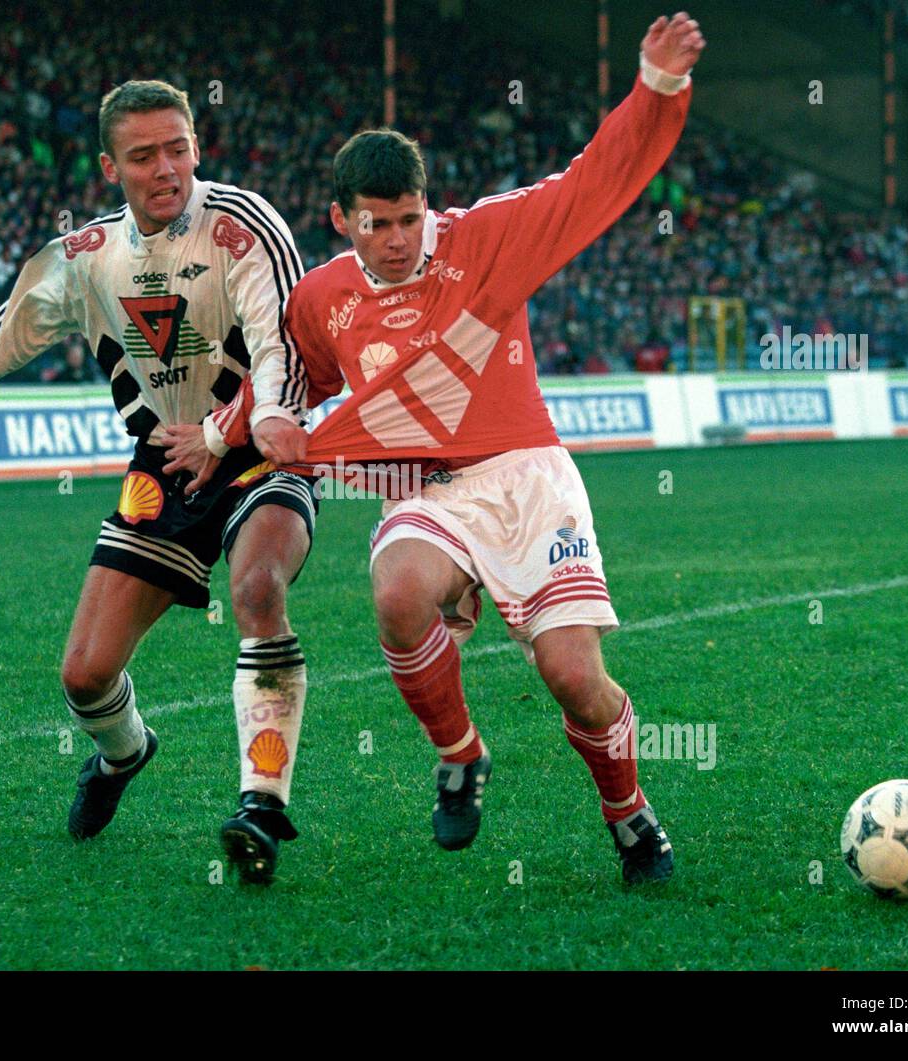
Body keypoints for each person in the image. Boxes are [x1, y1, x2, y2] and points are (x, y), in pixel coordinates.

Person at [187, 13, 704, 883]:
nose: (397, 239)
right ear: (341, 217)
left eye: (410, 219)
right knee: (395, 590)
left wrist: (655, 87)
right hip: (427, 490)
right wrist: (225, 429)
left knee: (575, 678)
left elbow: (591, 183)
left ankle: (630, 815)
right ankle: (461, 753)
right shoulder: (322, 299)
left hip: (529, 477)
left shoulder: (488, 239)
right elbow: (290, 382)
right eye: (378, 223)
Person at [0, 79, 317, 884]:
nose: (166, 168)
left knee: (259, 588)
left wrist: (225, 431)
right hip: (161, 471)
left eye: (178, 148)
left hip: (252, 452)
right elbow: (3, 335)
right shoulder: (89, 257)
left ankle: (261, 804)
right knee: (85, 676)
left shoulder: (244, 225)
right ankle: (124, 755)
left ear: (196, 145)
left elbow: (281, 348)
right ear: (108, 167)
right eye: (143, 156)